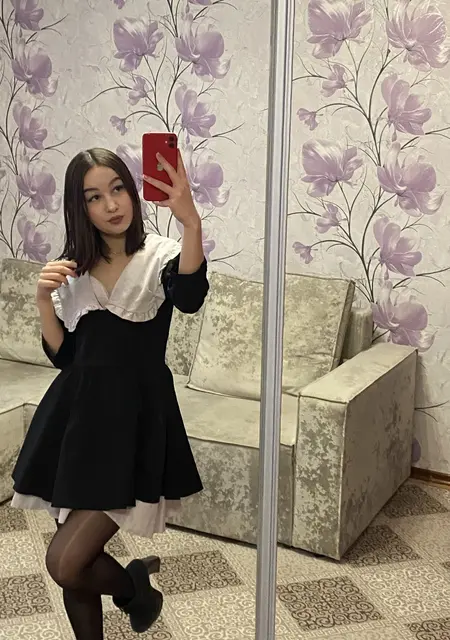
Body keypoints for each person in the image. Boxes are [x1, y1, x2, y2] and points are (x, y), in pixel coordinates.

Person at [11, 147, 209, 639]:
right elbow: (65, 356)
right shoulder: (72, 269)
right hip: (75, 422)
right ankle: (134, 589)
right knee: (77, 562)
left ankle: (134, 589)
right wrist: (43, 300)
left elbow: (189, 298)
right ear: (80, 207)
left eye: (118, 188)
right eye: (94, 197)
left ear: (133, 192)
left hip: (134, 421)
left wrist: (191, 223)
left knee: (65, 562)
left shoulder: (160, 254)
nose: (112, 204)